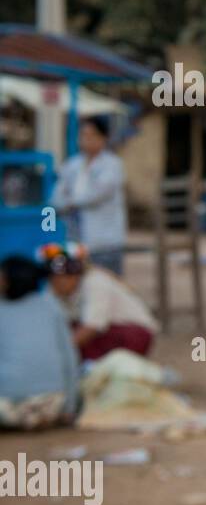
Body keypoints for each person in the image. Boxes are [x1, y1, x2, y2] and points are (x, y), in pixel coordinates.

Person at [0, 256, 80, 430]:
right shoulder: (51, 305)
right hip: (52, 406)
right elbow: (70, 358)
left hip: (6, 407)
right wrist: (70, 408)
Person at [40, 242, 158, 361]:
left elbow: (92, 327)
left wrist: (55, 353)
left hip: (131, 334)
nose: (53, 284)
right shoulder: (55, 291)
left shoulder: (95, 282)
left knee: (78, 335)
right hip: (101, 334)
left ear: (72, 276)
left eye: (57, 279)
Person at [51, 115, 128, 275]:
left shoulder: (112, 165)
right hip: (75, 242)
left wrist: (70, 200)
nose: (87, 140)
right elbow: (56, 197)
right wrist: (68, 200)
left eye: (92, 136)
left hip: (105, 243)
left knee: (106, 287)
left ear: (103, 138)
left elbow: (94, 195)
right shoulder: (72, 164)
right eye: (83, 135)